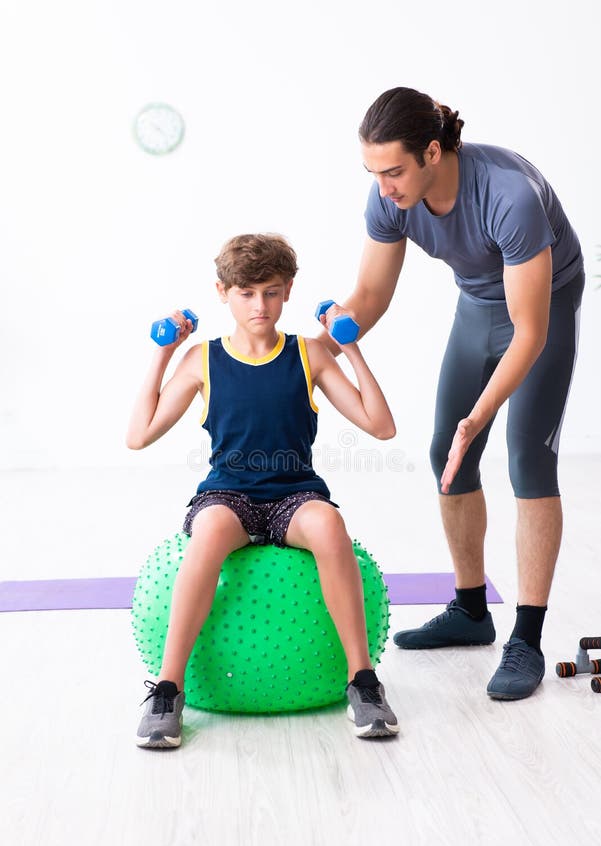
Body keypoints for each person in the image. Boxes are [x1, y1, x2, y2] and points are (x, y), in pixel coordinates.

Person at [317, 87, 584, 701]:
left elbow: (530, 332)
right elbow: (369, 297)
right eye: (372, 173)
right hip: (478, 305)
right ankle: (470, 610)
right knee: (448, 452)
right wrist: (308, 356)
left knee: (527, 456)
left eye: (393, 171)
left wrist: (479, 416)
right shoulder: (391, 198)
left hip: (543, 307)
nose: (383, 187)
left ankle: (527, 637)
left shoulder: (509, 196)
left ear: (433, 153)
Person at [126, 233, 400, 748]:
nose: (260, 305)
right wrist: (164, 355)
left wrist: (350, 346)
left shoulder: (310, 353)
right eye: (247, 293)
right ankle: (167, 690)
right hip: (228, 496)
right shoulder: (202, 360)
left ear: (288, 291)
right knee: (209, 531)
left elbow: (381, 426)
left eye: (272, 292)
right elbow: (138, 435)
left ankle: (363, 682)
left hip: (294, 495)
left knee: (330, 524)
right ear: (223, 293)